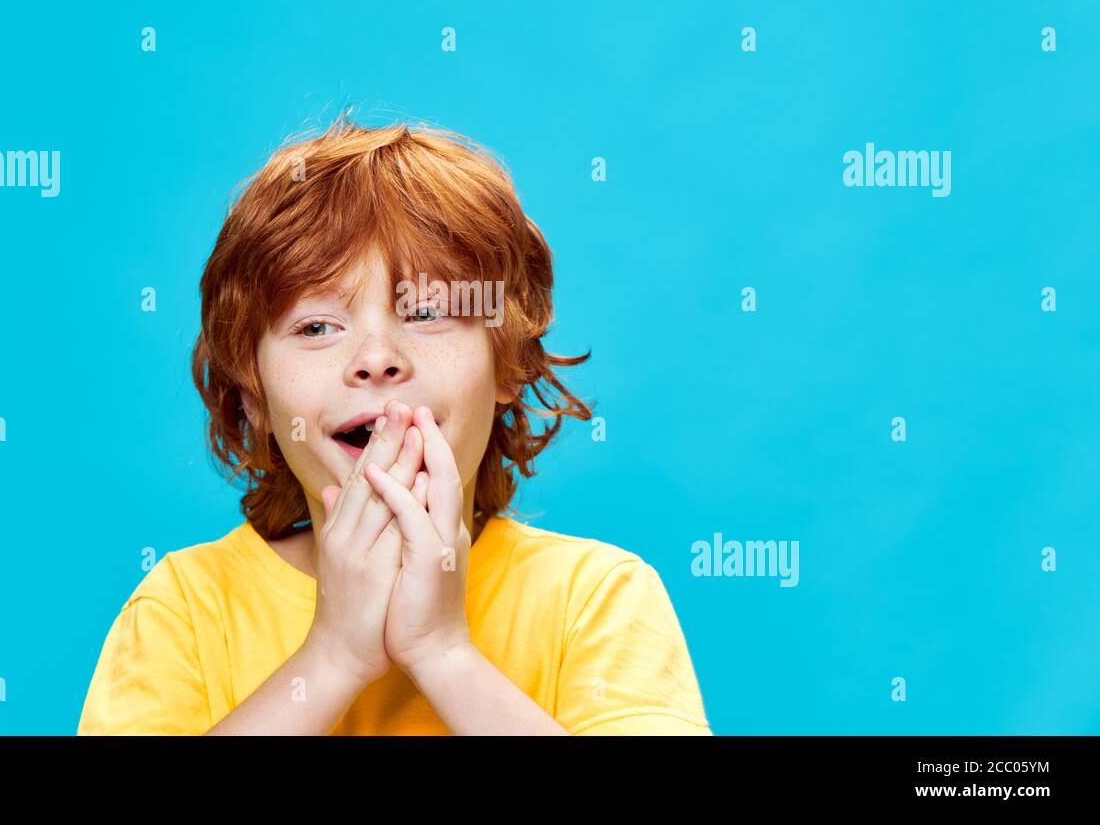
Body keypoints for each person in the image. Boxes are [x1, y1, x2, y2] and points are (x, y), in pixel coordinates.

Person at [77, 109, 711, 735]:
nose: (377, 360)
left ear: (510, 360)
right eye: (317, 327)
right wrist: (332, 659)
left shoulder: (596, 599)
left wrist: (443, 652)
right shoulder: (185, 610)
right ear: (255, 398)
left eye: (428, 312)